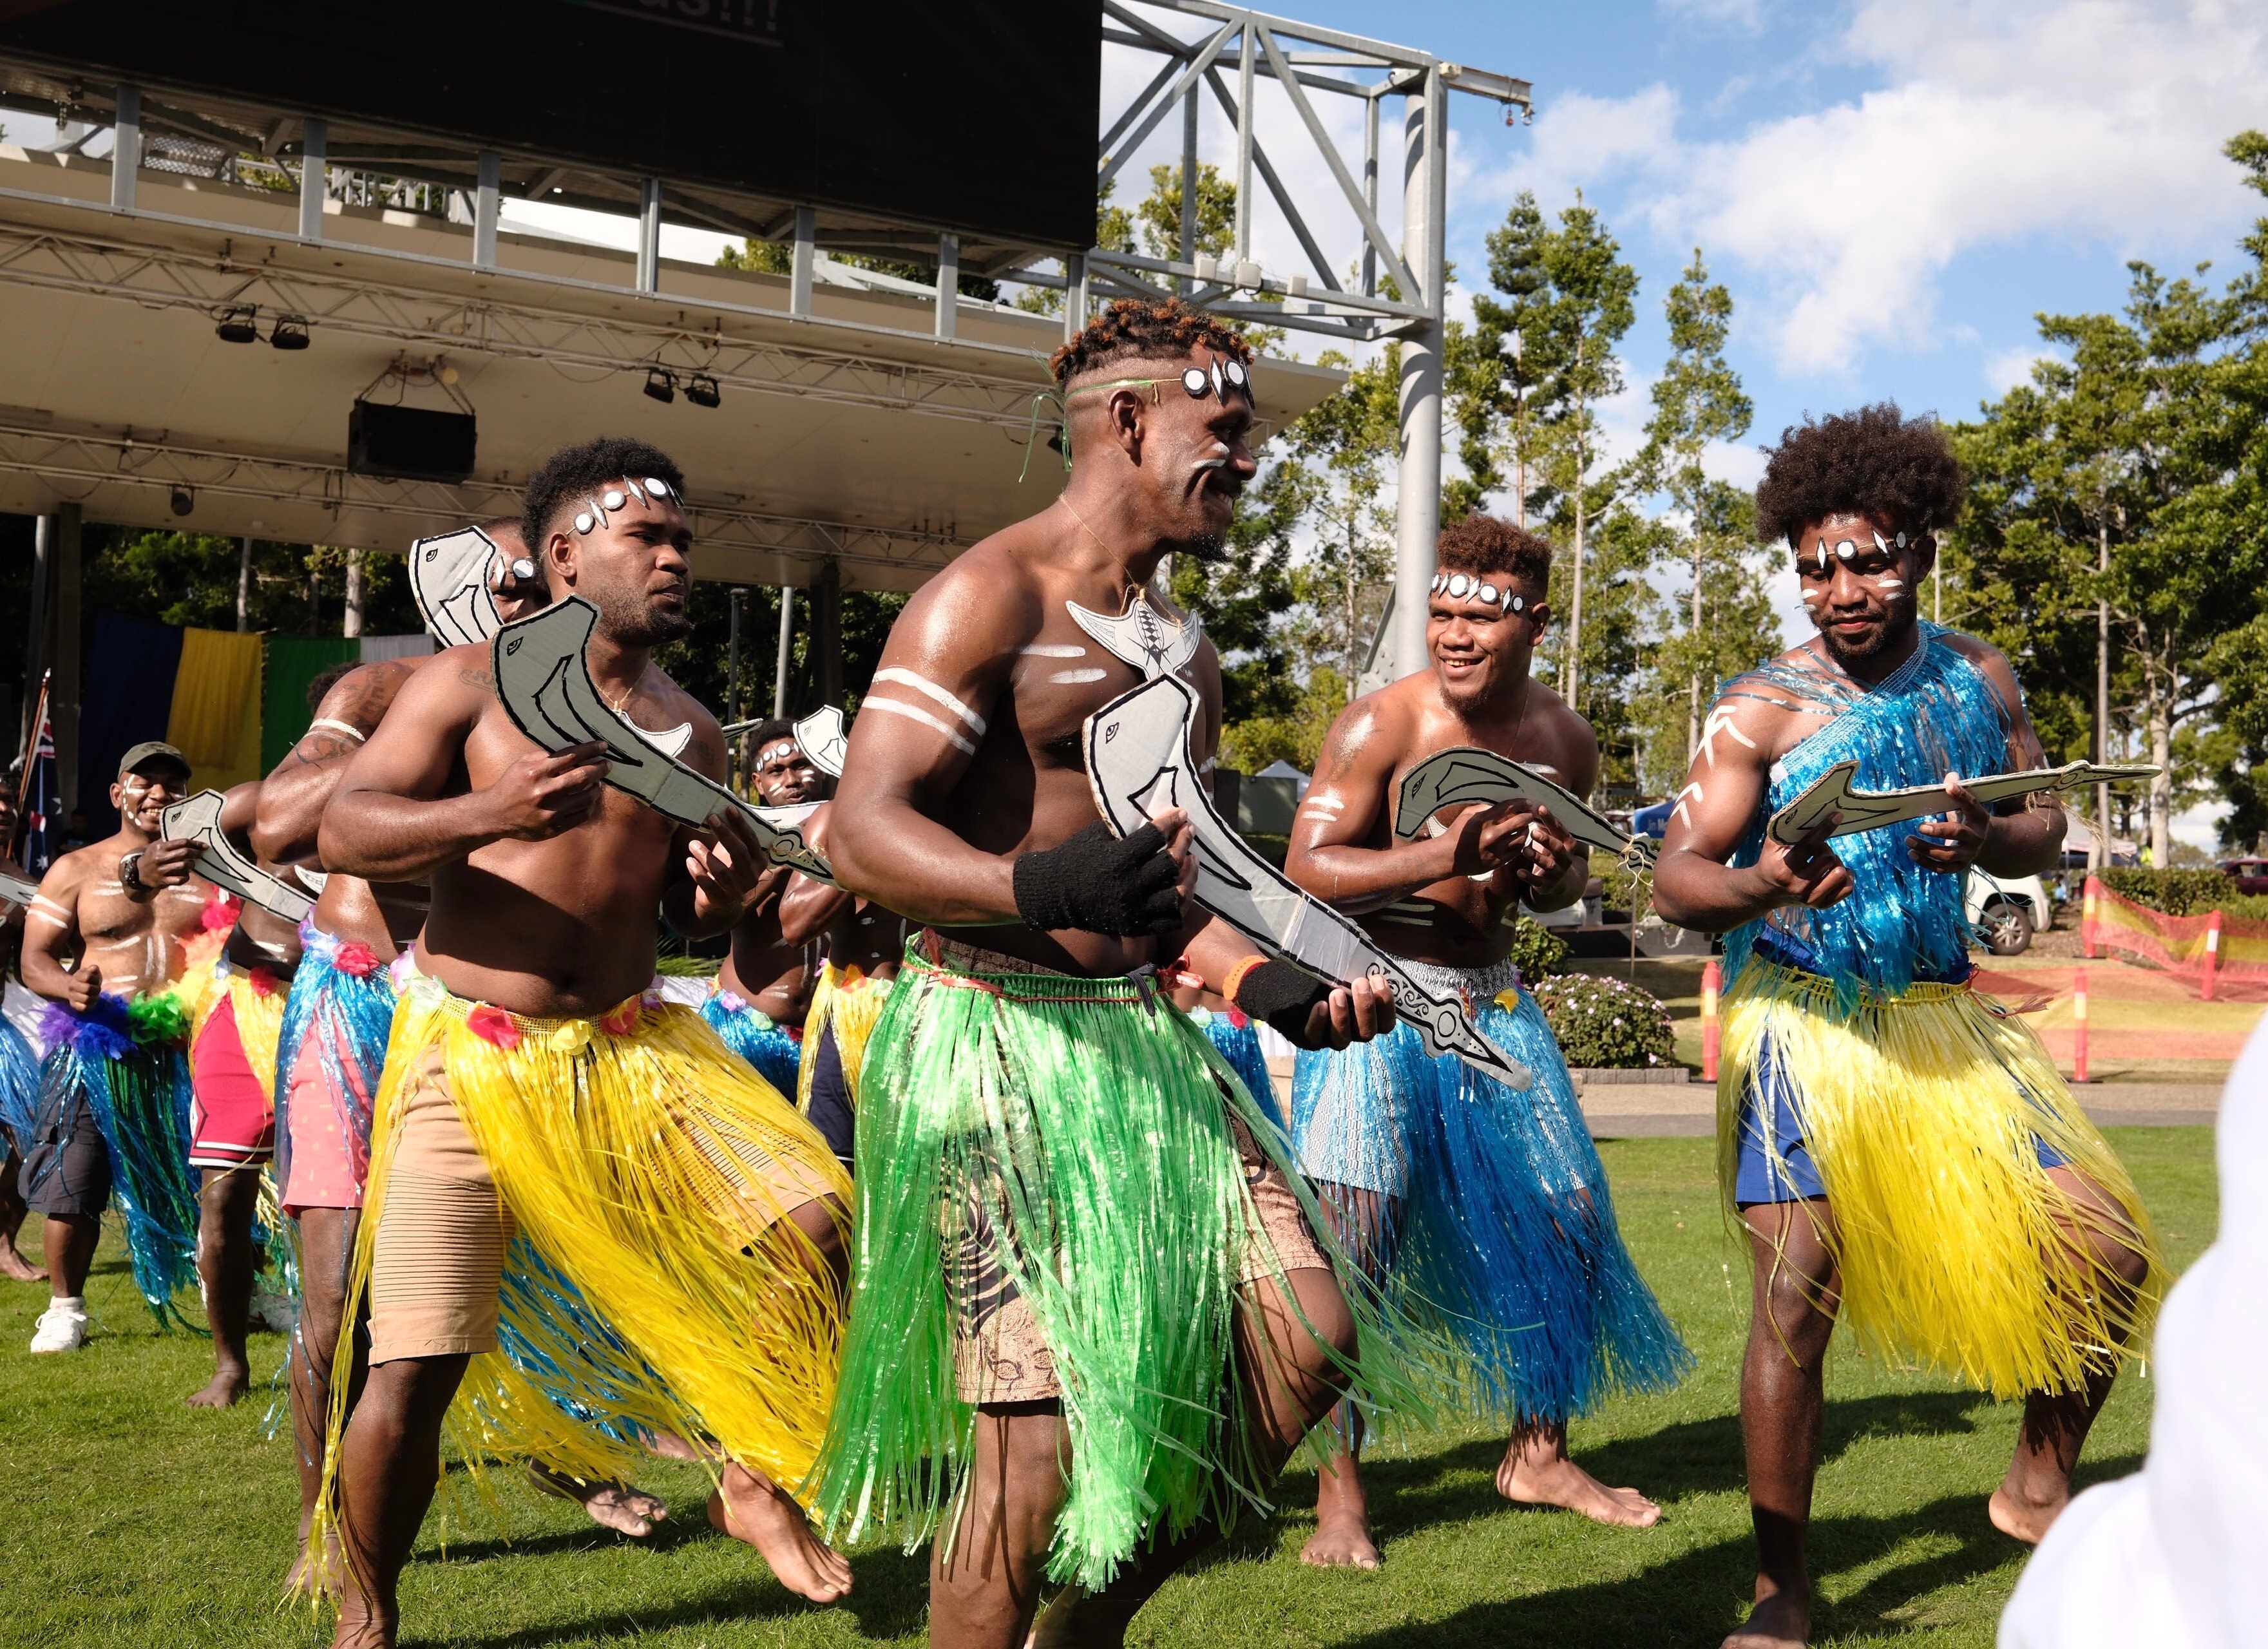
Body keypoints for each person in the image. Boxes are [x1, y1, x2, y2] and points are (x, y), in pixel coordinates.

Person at [811, 298, 1408, 1649]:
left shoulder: (1179, 647)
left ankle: (1085, 1625)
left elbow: (1170, 889)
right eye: (1225, 426)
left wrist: (1268, 989)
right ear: (1131, 419)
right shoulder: (987, 593)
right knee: (1024, 1463)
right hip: (987, 1047)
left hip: (1138, 1047)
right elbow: (860, 829)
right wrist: (1035, 885)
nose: (1244, 459)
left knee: (1305, 1342)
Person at [310, 439, 854, 1647]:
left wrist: (720, 889)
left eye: (682, 542)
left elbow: (687, 910)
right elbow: (340, 825)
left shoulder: (693, 730)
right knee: (415, 1368)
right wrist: (484, 812)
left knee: (812, 1216)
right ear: (563, 554)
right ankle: (366, 1614)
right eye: (646, 540)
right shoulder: (463, 685)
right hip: (474, 1054)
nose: (674, 560)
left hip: (632, 1048)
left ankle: (751, 1473)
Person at [1647, 405, 2163, 1649]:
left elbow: (2041, 816)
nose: (1841, 588)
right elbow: (1675, 878)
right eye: (1815, 566)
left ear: (1920, 549)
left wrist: (1994, 839)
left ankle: (2036, 1484)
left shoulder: (1977, 677)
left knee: (2105, 1250)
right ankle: (1783, 1589)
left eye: (1869, 558)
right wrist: (1765, 884)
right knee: (1794, 1295)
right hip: (1804, 1021)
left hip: (1943, 1017)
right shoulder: (1759, 710)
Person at [1282, 513, 1691, 1569]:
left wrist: (1549, 872)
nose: (1455, 634)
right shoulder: (1382, 724)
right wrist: (1433, 855)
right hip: (1373, 995)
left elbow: (1562, 888)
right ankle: (1339, 1497)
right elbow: (1306, 867)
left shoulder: (1564, 742)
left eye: (1482, 617)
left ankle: (1538, 1454)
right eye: (1441, 612)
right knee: (1352, 1243)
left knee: (1570, 1219)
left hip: (1494, 998)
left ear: (1536, 623)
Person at [17, 743, 209, 1350]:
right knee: (74, 1178)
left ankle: (239, 1291)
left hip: (185, 1048)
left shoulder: (208, 869)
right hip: (97, 1043)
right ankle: (65, 1308)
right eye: (145, 783)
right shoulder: (77, 869)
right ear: (116, 793)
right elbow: (34, 958)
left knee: (216, 1177)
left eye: (172, 786)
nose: (159, 794)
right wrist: (68, 988)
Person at [178, 779, 301, 1407]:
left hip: (359, 1006)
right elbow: (183, 830)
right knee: (224, 1197)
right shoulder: (281, 795)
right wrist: (141, 867)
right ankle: (231, 1364)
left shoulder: (423, 794)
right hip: (248, 1001)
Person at [700, 720, 823, 1097]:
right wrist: (786, 851)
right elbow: (712, 913)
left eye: (802, 765)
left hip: (822, 1039)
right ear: (758, 783)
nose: (792, 779)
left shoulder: (851, 834)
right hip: (746, 1031)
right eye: (777, 771)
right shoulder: (739, 838)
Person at [0, 791, 51, 1283]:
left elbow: (33, 964)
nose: (1, 811)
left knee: (30, 1136)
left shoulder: (24, 887)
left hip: (4, 1033)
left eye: (6, 803)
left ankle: (3, 1242)